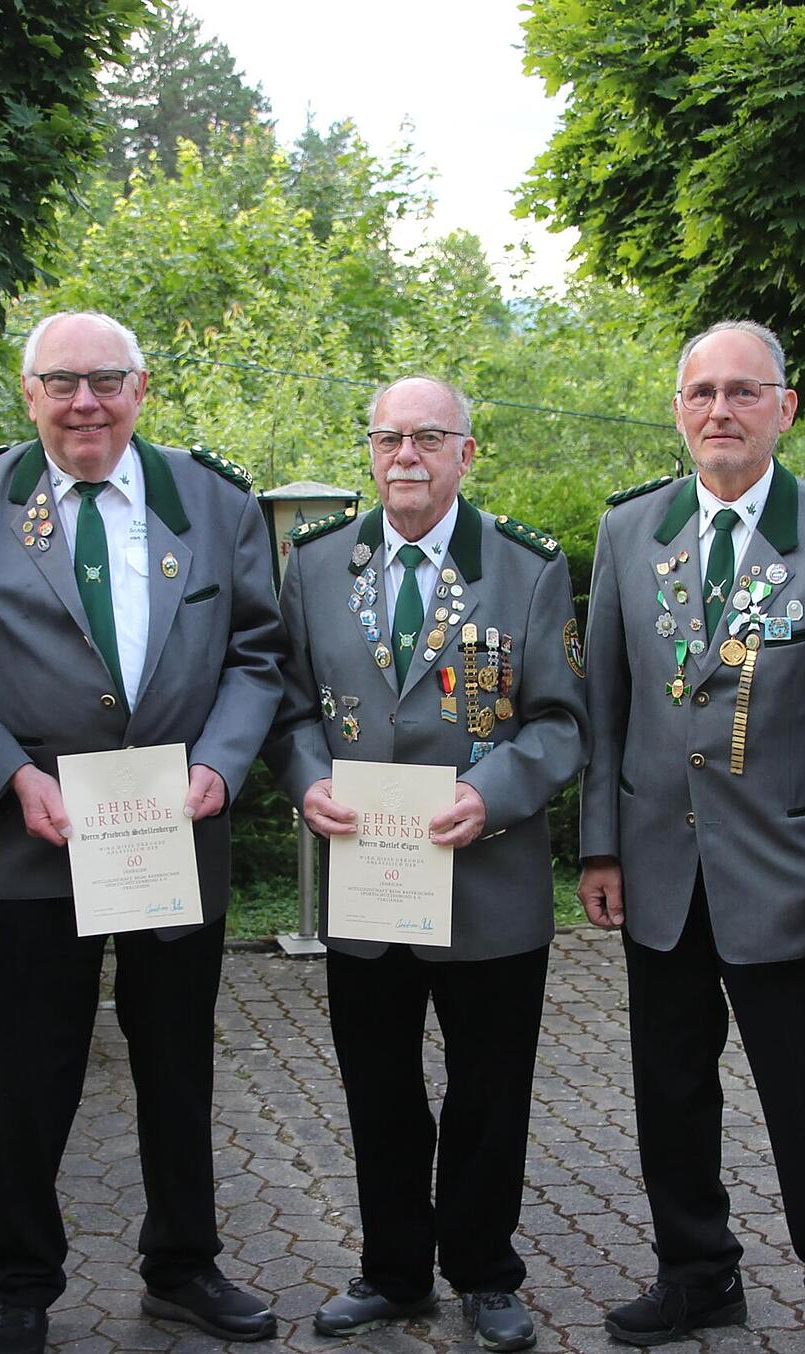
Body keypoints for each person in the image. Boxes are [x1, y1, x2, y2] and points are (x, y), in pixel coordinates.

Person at [0, 311, 283, 1353]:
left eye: (105, 380)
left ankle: (183, 1265)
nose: (84, 402)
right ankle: (19, 1283)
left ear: (140, 386)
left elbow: (256, 652)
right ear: (27, 395)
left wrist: (221, 764)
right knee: (30, 1071)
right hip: (40, 834)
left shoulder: (211, 500)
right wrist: (6, 776)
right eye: (60, 382)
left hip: (174, 830)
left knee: (176, 1061)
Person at [578, 320, 805, 1353]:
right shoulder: (628, 531)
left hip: (791, 878)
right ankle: (694, 1272)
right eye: (700, 392)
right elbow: (606, 705)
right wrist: (599, 845)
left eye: (742, 392)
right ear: (677, 407)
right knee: (669, 1091)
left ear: (784, 407)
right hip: (660, 871)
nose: (719, 410)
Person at [263, 376, 588, 1352]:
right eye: (387, 437)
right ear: (370, 450)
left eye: (427, 437)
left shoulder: (526, 568)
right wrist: (306, 778)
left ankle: (485, 1270)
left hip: (485, 875)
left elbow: (559, 723)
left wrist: (493, 790)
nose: (404, 454)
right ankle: (393, 1270)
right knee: (381, 1089)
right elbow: (283, 705)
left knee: (489, 1092)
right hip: (368, 879)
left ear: (464, 452)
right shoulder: (317, 565)